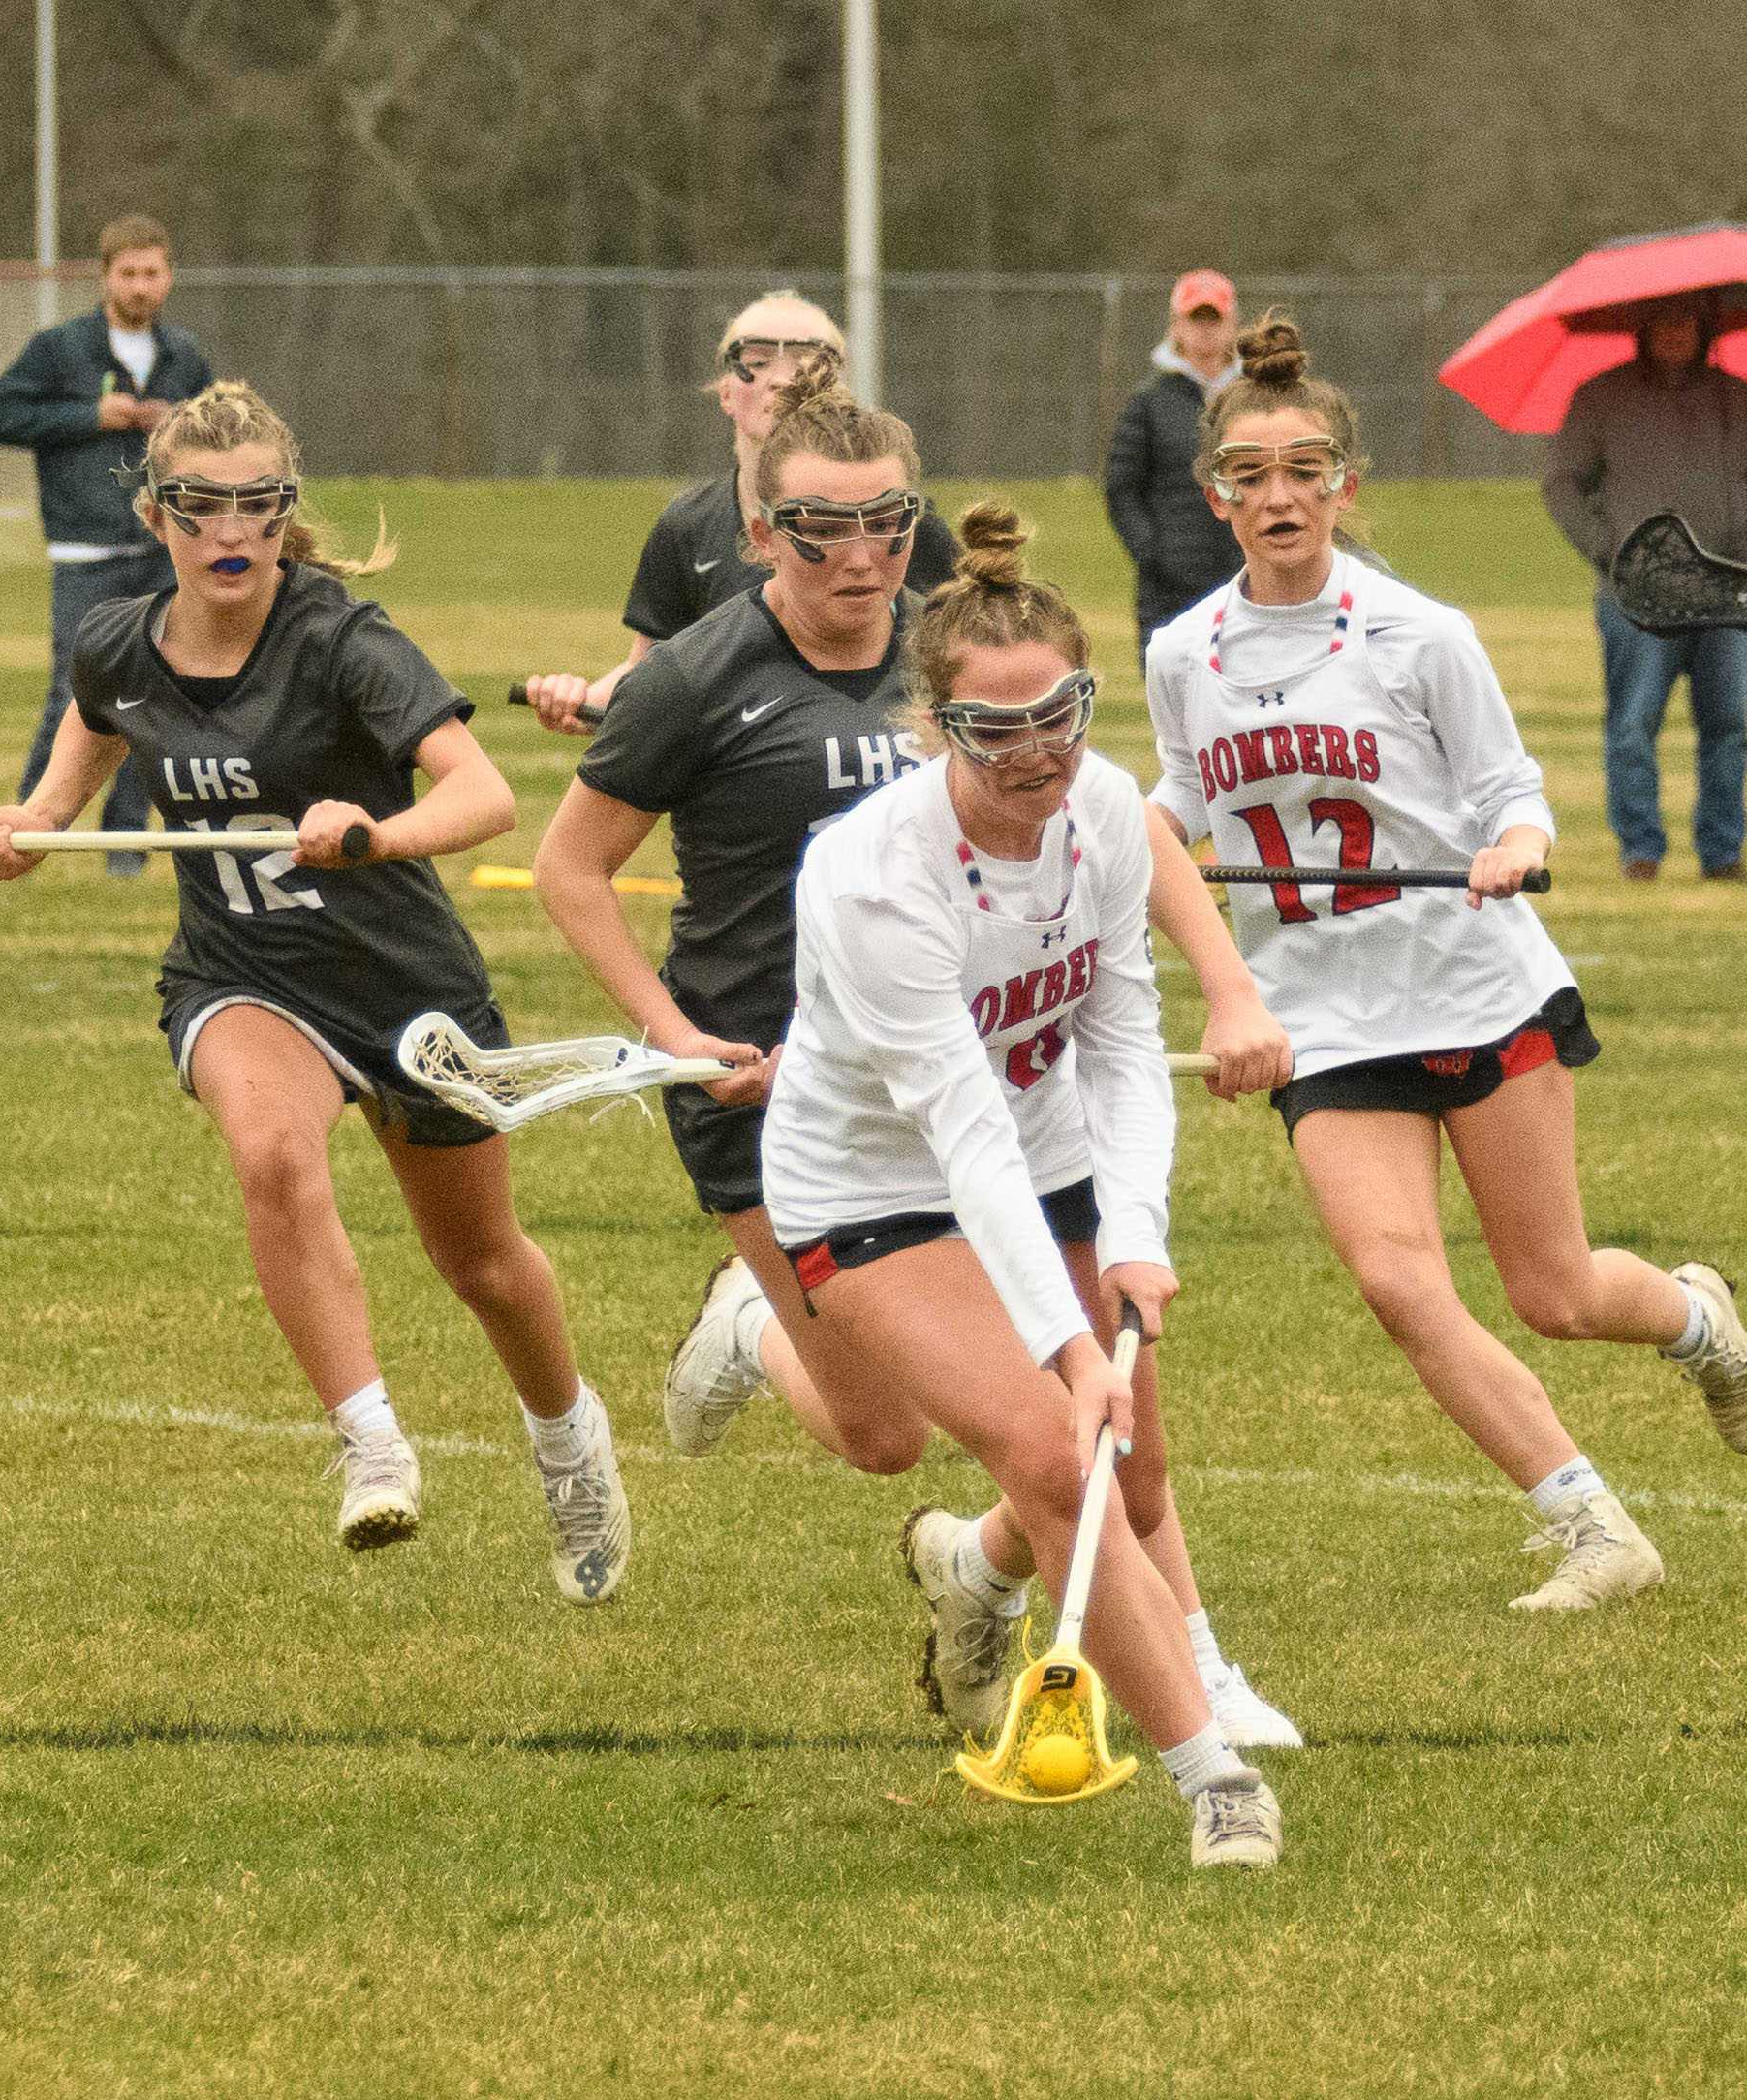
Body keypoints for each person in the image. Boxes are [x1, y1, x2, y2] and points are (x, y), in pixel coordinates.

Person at [533, 359, 1298, 1749]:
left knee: (1094, 1429)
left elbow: (1116, 830)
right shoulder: (700, 676)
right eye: (821, 528)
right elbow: (569, 870)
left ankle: (1157, 1644)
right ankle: (755, 1323)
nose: (863, 554)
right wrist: (675, 1035)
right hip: (782, 1094)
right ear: (760, 530)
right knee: (884, 1435)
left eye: (890, 520)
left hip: (994, 1078)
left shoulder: (963, 649)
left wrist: (1228, 985)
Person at [0, 381, 629, 1594]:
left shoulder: (342, 641)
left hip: (404, 986)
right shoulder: (115, 641)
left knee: (481, 1264)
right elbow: (83, 755)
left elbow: (484, 796)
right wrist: (30, 825)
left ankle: (569, 1439)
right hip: (239, 974)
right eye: (203, 506)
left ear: (283, 516)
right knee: (270, 1151)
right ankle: (373, 1445)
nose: (232, 531)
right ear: (157, 515)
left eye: (258, 505)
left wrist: (373, 831)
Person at [1147, 314, 1747, 1613]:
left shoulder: (1415, 630)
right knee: (1396, 1280)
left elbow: (1509, 791)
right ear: (1216, 496)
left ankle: (1697, 1321)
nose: (1279, 495)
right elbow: (1178, 803)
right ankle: (1592, 1524)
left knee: (1554, 1289)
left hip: (1474, 985)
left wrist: (1512, 845)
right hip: (1319, 1011)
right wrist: (1134, 844)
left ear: (1344, 486)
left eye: (1304, 469)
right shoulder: (1180, 652)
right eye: (1252, 474)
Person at [757, 502, 1282, 1868]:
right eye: (1001, 731)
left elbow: (1114, 1038)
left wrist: (1134, 1240)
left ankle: (971, 1570)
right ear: (937, 727)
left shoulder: (1103, 809)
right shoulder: (873, 875)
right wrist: (1065, 1345)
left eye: (1064, 714)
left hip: (1045, 1160)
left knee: (1132, 1465)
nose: (1041, 753)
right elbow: (957, 1125)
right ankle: (1212, 1775)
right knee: (1058, 1445)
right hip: (872, 1187)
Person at [518, 292, 958, 733]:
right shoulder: (688, 525)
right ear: (726, 392)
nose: (782, 379)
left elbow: (965, 653)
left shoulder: (899, 524)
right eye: (759, 361)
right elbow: (652, 668)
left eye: (807, 360)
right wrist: (581, 701)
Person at [0, 212, 215, 875]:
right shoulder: (60, 350)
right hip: (86, 549)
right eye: (128, 273)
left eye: (152, 273)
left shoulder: (185, 357)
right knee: (74, 694)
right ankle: (25, 835)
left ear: (169, 276)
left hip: (166, 548)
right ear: (105, 276)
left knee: (157, 697)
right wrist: (89, 416)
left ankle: (126, 849)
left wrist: (185, 422)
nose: (141, 286)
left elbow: (229, 434)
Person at [1541, 293, 1747, 881]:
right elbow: (1562, 487)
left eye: (1687, 320)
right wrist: (1613, 554)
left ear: (1705, 328)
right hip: (1635, 598)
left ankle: (1723, 853)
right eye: (1663, 321)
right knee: (1632, 726)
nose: (1675, 332)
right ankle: (1640, 852)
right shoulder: (1601, 398)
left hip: (1729, 592)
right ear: (1643, 327)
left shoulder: (1741, 399)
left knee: (1728, 728)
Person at [1104, 269, 1245, 657]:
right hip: (1168, 591)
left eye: (1214, 319)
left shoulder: (1255, 399)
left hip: (1247, 580)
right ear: (1176, 326)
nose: (1205, 330)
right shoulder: (1149, 402)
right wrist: (1153, 553)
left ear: (1232, 325)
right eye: (1195, 319)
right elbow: (1121, 489)